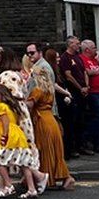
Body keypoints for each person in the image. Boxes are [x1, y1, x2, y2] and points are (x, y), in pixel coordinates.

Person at [0, 48, 47, 195]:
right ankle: (3, 182)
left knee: (10, 153)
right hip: (5, 121)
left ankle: (38, 177)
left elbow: (12, 96)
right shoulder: (10, 74)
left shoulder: (9, 75)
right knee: (10, 154)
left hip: (8, 122)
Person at [26, 43, 75, 190]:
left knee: (44, 151)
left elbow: (30, 104)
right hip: (50, 120)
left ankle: (45, 180)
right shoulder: (47, 86)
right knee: (55, 152)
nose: (29, 56)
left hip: (42, 120)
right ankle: (65, 178)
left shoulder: (38, 88)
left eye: (32, 53)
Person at [0, 84, 40, 198]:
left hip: (8, 136)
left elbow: (5, 122)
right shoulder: (13, 106)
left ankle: (8, 185)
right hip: (18, 136)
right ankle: (32, 189)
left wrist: (4, 136)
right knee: (24, 163)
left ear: (0, 96)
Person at [58, 35, 88, 158]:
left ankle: (82, 145)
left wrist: (86, 86)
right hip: (74, 92)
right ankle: (73, 147)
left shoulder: (78, 57)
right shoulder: (65, 58)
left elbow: (85, 71)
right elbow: (68, 75)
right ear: (70, 44)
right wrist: (80, 88)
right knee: (73, 121)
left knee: (82, 120)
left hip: (83, 91)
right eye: (76, 43)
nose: (79, 45)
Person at [79, 40, 99, 154]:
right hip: (93, 92)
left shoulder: (95, 59)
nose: (96, 49)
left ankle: (97, 144)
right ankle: (85, 137)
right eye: (94, 47)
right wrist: (96, 72)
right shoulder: (82, 59)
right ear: (87, 49)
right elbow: (88, 72)